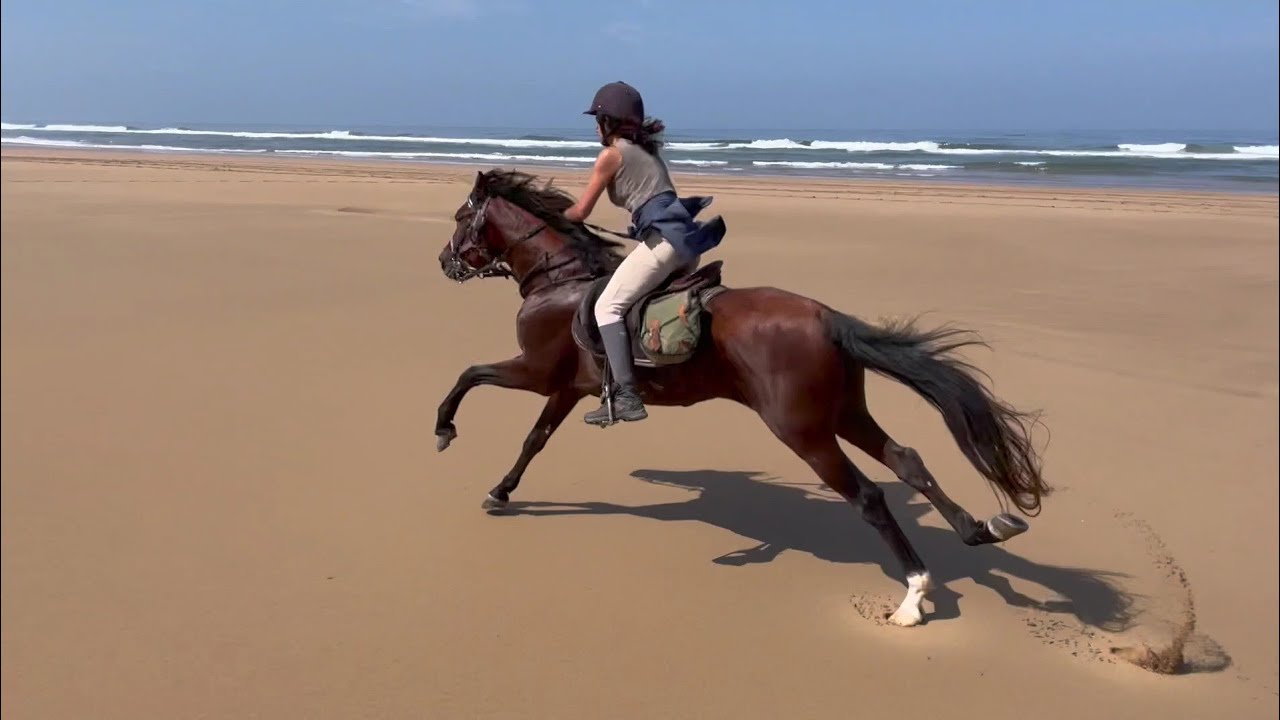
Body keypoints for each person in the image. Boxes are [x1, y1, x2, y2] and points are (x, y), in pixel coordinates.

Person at [563, 81, 727, 427]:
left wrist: (548, 216)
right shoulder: (647, 153)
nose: (595, 127)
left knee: (607, 306)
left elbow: (579, 213)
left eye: (598, 119)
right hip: (685, 245)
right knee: (635, 301)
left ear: (609, 121)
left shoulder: (610, 155)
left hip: (664, 244)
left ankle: (627, 396)